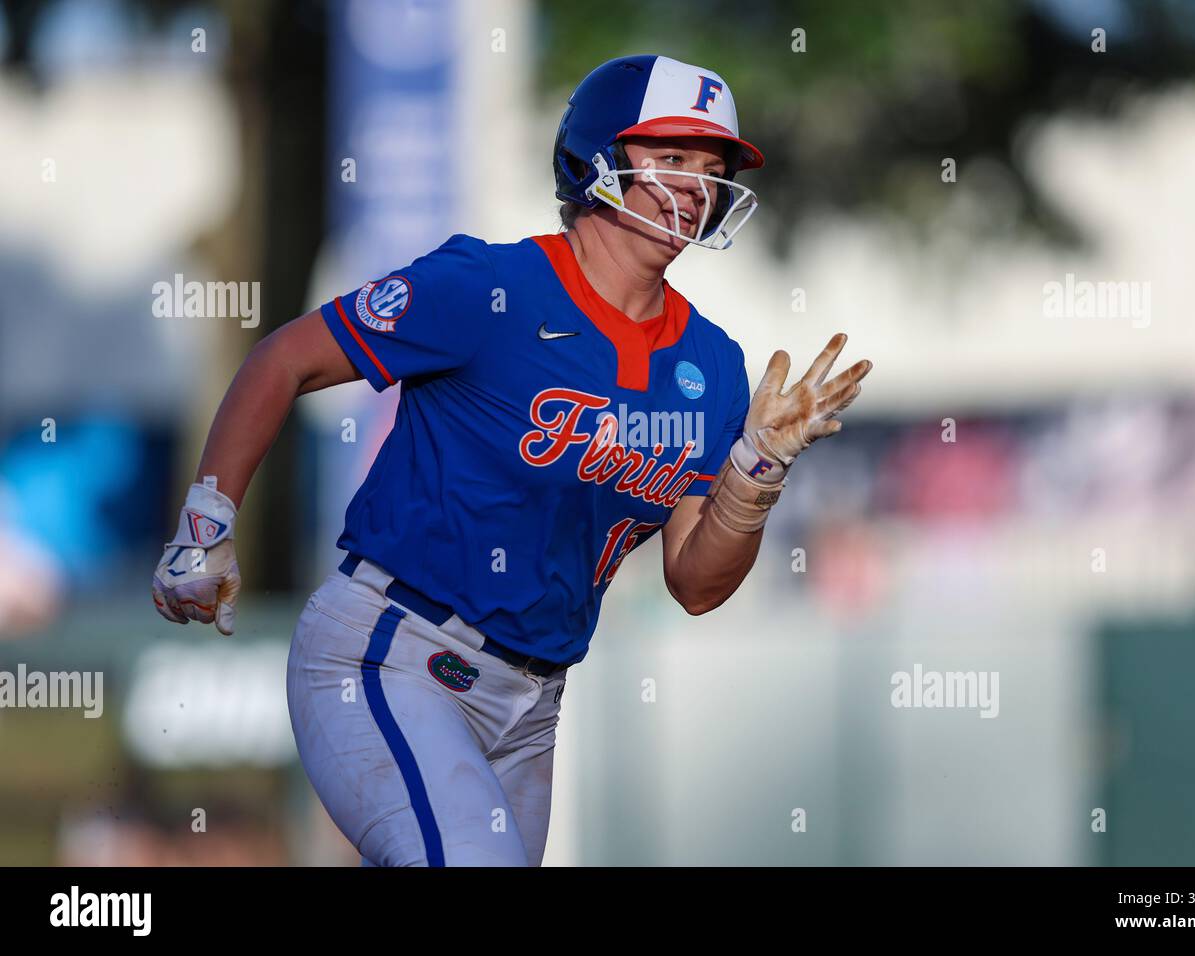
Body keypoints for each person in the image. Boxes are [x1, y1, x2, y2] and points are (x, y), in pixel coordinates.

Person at [151, 54, 871, 866]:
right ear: (597, 158)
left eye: (712, 167)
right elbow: (283, 360)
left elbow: (696, 584)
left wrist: (756, 472)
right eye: (670, 158)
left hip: (532, 708)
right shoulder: (488, 287)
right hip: (393, 653)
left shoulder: (710, 364)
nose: (698, 184)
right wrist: (207, 519)